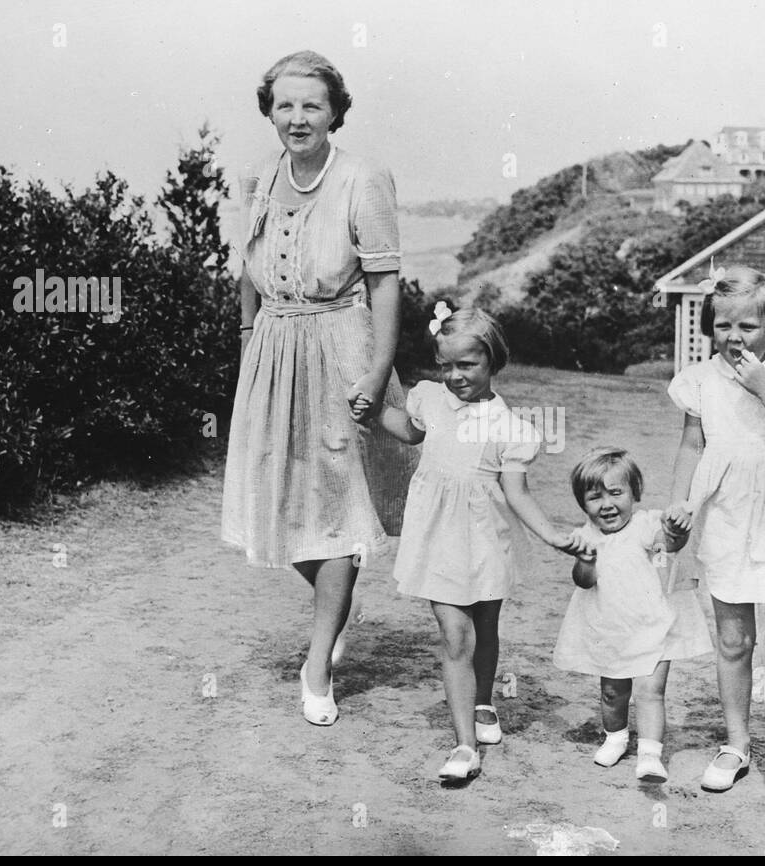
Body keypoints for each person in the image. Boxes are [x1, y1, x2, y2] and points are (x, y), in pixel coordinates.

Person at [220, 51, 418, 727]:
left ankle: (317, 663)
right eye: (284, 105)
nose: (297, 118)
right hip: (273, 351)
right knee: (279, 499)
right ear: (268, 110)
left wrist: (376, 370)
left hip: (340, 348)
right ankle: (340, 607)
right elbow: (246, 266)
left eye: (312, 105)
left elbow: (386, 282)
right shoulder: (254, 178)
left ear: (336, 110)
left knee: (334, 509)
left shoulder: (363, 178)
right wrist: (248, 335)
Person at [363, 303, 588, 782]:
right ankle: (464, 744)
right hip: (439, 537)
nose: (455, 376)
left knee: (486, 628)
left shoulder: (509, 427)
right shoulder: (429, 398)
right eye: (446, 365)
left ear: (492, 361)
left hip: (487, 538)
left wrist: (551, 534)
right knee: (455, 635)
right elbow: (410, 431)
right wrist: (375, 412)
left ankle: (484, 700)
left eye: (467, 365)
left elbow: (517, 493)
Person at [667, 265, 765, 819]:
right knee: (733, 642)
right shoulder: (699, 381)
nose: (735, 338)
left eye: (749, 326)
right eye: (724, 325)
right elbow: (692, 447)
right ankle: (736, 744)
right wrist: (679, 504)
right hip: (727, 520)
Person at [553, 448, 712, 783]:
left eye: (616, 493)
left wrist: (675, 530)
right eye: (595, 497)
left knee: (650, 690)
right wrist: (586, 560)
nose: (607, 504)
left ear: (634, 494)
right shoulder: (585, 536)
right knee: (613, 692)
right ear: (583, 504)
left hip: (654, 624)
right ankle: (616, 737)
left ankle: (650, 755)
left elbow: (666, 544)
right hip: (608, 626)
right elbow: (583, 582)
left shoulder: (644, 524)